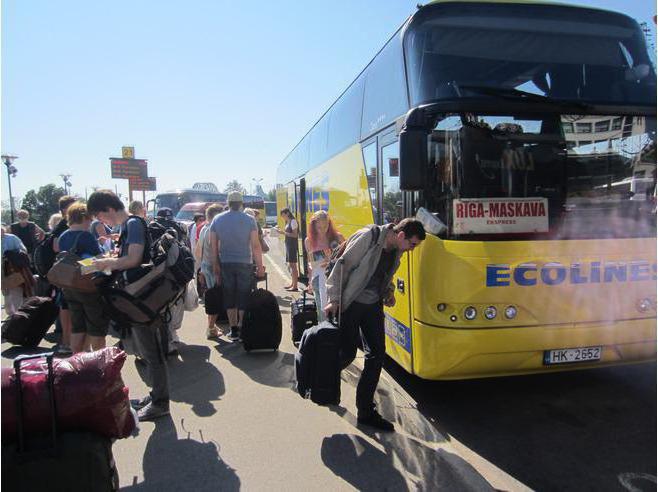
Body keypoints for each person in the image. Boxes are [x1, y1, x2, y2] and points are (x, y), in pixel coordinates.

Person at [324, 218, 426, 432]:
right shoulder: (368, 237)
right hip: (350, 303)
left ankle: (365, 411)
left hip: (372, 306)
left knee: (377, 354)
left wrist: (387, 293)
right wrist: (333, 299)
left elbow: (382, 275)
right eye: (413, 244)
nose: (412, 249)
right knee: (347, 353)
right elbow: (342, 266)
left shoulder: (396, 249)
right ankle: (322, 381)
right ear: (400, 235)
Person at [88, 189, 170, 421]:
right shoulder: (129, 225)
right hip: (139, 295)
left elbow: (134, 259)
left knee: (151, 352)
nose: (101, 222)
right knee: (148, 350)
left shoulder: (133, 224)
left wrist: (105, 262)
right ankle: (157, 395)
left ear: (109, 209)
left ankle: (160, 402)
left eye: (100, 216)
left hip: (139, 296)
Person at [210, 192, 265, 341]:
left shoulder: (217, 219)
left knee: (229, 295)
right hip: (245, 263)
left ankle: (233, 330)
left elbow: (213, 246)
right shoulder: (249, 220)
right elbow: (255, 245)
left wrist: (215, 265)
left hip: (226, 263)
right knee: (243, 294)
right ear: (241, 203)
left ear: (228, 203)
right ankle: (242, 326)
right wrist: (260, 266)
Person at [57, 202, 109, 353]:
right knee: (96, 328)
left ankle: (77, 361)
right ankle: (100, 363)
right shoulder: (86, 236)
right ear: (84, 217)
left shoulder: (63, 236)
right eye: (90, 218)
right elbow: (97, 261)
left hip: (69, 287)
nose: (91, 221)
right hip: (87, 287)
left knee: (78, 326)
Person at [305, 211, 344, 322]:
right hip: (317, 280)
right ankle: (323, 335)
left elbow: (347, 257)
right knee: (321, 313)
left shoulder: (338, 237)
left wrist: (331, 261)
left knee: (335, 313)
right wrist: (309, 282)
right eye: (319, 227)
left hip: (334, 280)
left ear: (329, 224)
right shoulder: (308, 241)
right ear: (313, 226)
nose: (323, 230)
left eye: (325, 226)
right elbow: (310, 263)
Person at [51, 195, 77, 355]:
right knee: (68, 307)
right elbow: (56, 247)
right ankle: (68, 342)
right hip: (67, 272)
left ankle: (68, 342)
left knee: (66, 306)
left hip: (63, 272)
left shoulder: (62, 224)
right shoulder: (64, 225)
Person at [195, 203, 224, 339]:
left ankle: (212, 326)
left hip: (206, 266)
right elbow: (216, 252)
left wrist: (200, 269)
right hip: (214, 267)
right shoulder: (214, 230)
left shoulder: (203, 229)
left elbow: (198, 250)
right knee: (215, 298)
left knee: (210, 297)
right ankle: (211, 328)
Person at [1, 228, 28, 315]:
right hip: (2, 272)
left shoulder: (12, 238)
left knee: (16, 293)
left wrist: (11, 255)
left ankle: (16, 316)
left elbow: (23, 251)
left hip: (12, 270)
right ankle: (12, 316)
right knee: (6, 293)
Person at [277, 208, 299, 291]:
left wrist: (283, 233)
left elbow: (295, 235)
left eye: (283, 215)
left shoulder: (293, 221)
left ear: (287, 213)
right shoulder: (288, 222)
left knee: (293, 266)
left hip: (292, 245)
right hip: (289, 245)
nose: (283, 217)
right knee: (291, 265)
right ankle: (293, 283)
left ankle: (295, 286)